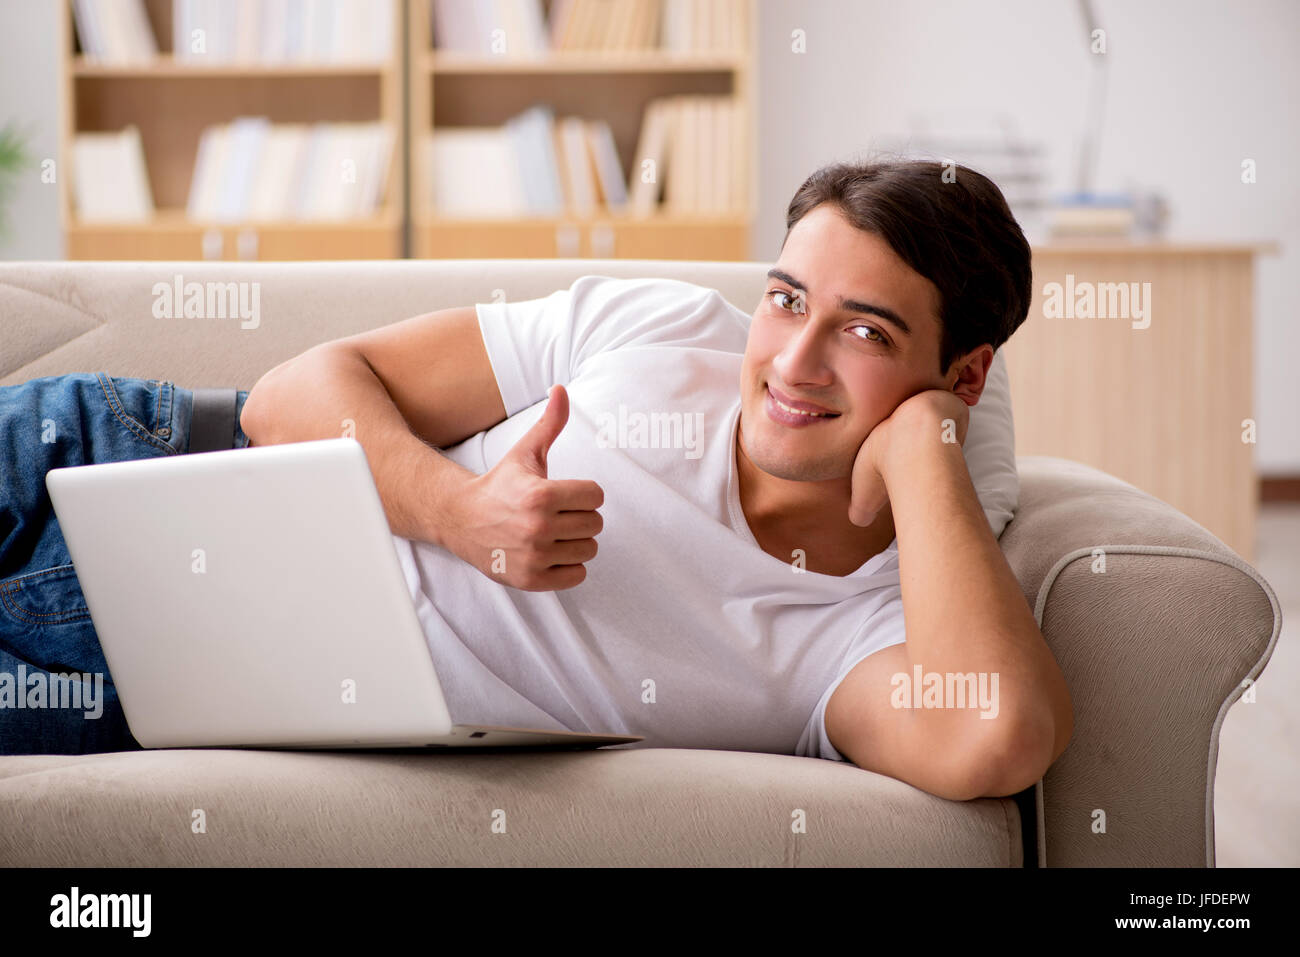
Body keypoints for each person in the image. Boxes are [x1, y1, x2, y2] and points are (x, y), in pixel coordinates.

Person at [0, 159, 1071, 800]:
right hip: (117, 450)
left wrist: (929, 449)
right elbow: (293, 394)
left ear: (964, 373)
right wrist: (458, 515)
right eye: (787, 301)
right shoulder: (667, 328)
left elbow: (998, 739)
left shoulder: (859, 636)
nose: (791, 361)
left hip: (140, 665)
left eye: (864, 332)